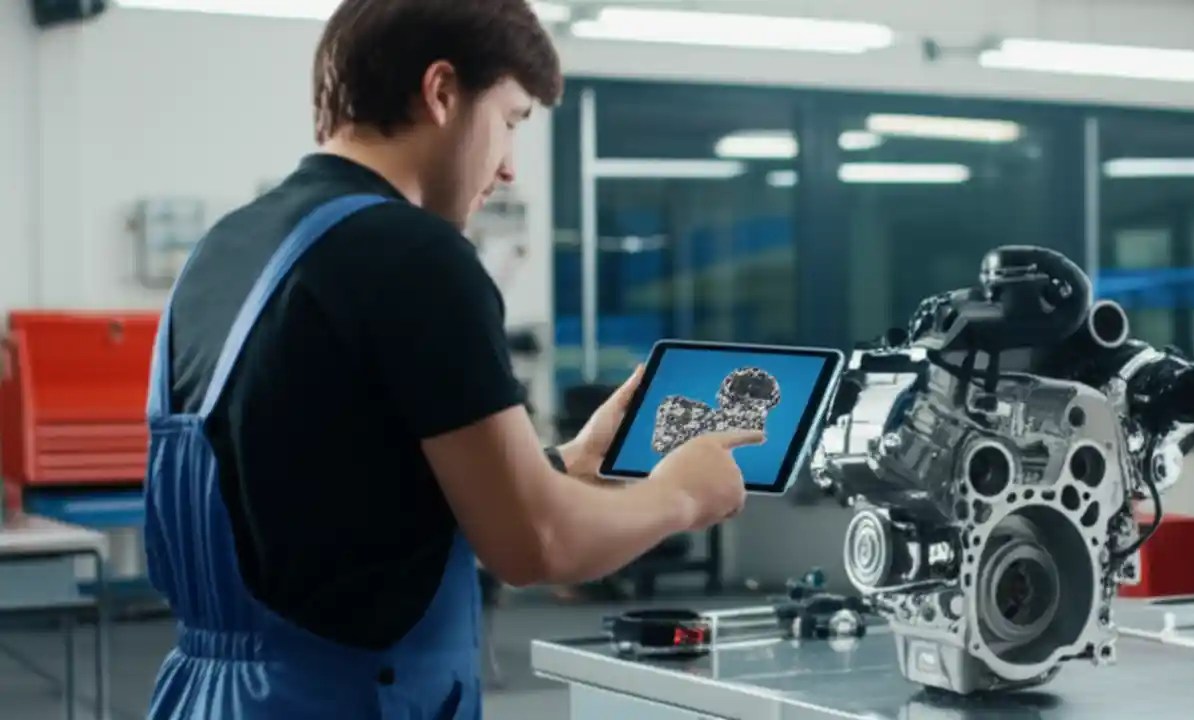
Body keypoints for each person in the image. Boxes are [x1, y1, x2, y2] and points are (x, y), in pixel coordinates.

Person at [141, 1, 761, 718]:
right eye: (510, 120)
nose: (505, 168)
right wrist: (680, 495)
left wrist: (567, 463)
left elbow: (335, 502)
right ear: (442, 92)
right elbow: (536, 546)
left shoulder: (228, 247)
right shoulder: (418, 256)